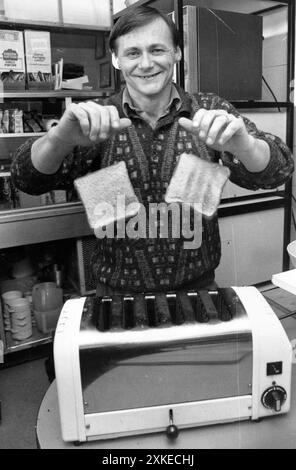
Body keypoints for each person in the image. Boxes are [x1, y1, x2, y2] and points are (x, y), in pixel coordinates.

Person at [11, 5, 294, 296]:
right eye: (133, 53)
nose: (146, 64)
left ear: (177, 53)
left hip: (198, 292)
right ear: (116, 59)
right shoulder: (95, 120)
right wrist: (59, 140)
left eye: (157, 50)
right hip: (116, 296)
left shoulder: (210, 110)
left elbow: (279, 171)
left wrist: (244, 146)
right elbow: (27, 179)